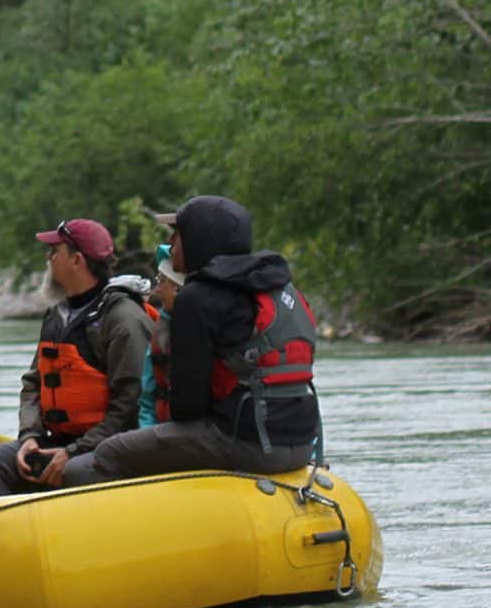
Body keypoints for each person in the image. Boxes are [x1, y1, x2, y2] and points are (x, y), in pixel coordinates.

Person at [66, 196, 321, 481]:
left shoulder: (196, 297)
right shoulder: (279, 289)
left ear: (200, 240)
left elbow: (187, 409)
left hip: (249, 446)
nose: (170, 243)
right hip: (301, 443)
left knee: (101, 456)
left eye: (177, 234)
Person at [0, 217, 163, 498]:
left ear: (76, 260)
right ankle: (0, 527)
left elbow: (130, 404)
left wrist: (73, 452)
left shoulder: (123, 319)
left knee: (75, 471)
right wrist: (30, 437)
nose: (48, 258)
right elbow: (34, 383)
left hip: (112, 445)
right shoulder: (56, 316)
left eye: (54, 251)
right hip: (63, 441)